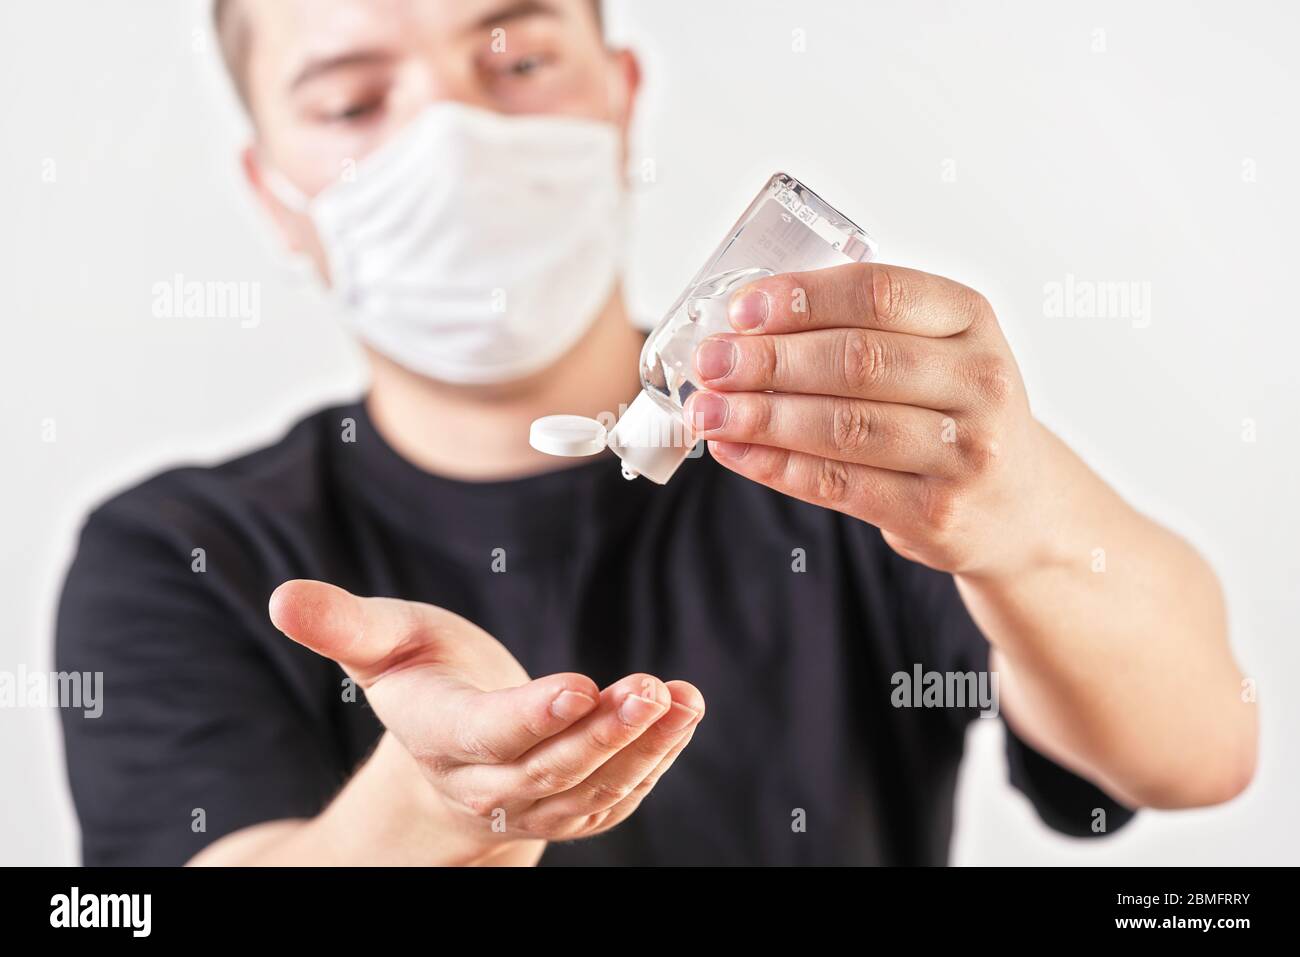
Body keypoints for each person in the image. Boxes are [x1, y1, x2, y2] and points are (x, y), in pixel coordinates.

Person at [56, 0, 1256, 866]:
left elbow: (1196, 753)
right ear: (275, 194)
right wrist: (439, 806)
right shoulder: (181, 551)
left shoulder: (841, 467)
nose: (452, 138)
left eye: (518, 56)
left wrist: (1020, 510)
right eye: (354, 101)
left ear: (622, 100)